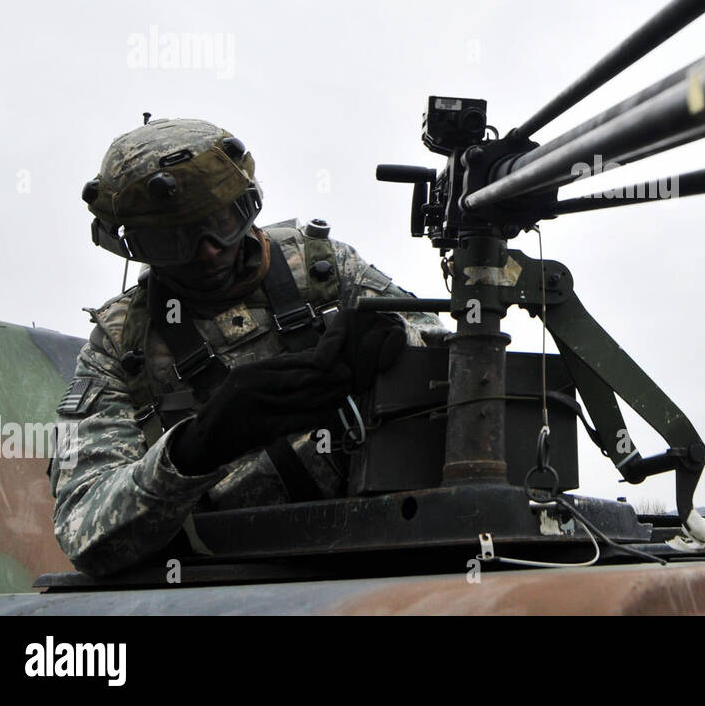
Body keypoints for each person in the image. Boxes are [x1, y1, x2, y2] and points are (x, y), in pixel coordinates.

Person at [52, 117, 446, 576]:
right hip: (229, 582)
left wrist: (399, 342)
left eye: (220, 222)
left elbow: (455, 369)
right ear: (131, 247)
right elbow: (85, 532)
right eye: (172, 239)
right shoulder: (121, 347)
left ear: (249, 204)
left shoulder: (325, 272)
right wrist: (193, 449)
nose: (207, 251)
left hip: (384, 550)